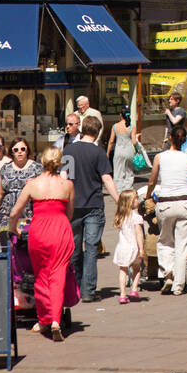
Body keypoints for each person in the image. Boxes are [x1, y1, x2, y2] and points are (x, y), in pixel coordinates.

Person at [8, 146, 75, 341]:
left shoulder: (32, 184)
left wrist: (13, 230)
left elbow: (14, 212)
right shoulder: (67, 185)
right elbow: (69, 214)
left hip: (39, 232)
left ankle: (45, 318)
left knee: (41, 276)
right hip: (61, 231)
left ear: (42, 161)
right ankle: (55, 319)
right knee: (58, 275)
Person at [68, 114, 119, 301]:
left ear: (81, 129)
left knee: (74, 249)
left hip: (73, 206)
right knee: (91, 249)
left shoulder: (69, 150)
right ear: (97, 133)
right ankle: (89, 292)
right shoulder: (98, 153)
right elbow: (107, 179)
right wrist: (119, 200)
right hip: (93, 206)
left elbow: (64, 178)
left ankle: (74, 289)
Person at [146, 123, 187, 294]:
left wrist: (148, 196)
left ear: (170, 139)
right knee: (183, 245)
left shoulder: (160, 157)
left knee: (165, 240)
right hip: (185, 202)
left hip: (166, 202)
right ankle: (178, 286)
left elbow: (152, 180)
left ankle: (168, 275)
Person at [112, 187, 146, 303]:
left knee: (123, 270)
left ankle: (122, 294)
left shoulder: (120, 217)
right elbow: (139, 234)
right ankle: (134, 289)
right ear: (131, 202)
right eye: (136, 199)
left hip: (122, 247)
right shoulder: (136, 217)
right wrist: (141, 248)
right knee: (136, 268)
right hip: (134, 247)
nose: (138, 201)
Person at [107, 109, 141, 191]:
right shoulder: (132, 127)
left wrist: (107, 153)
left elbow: (111, 141)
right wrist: (136, 137)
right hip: (129, 152)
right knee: (129, 173)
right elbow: (134, 142)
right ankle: (128, 190)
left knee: (118, 173)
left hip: (119, 151)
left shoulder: (115, 126)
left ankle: (119, 192)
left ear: (120, 115)